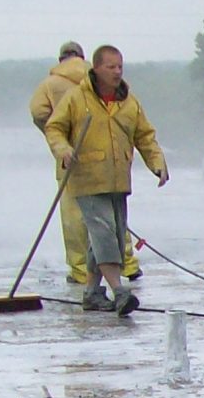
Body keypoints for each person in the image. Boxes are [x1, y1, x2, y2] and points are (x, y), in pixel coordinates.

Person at [43, 45, 168, 316]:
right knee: (103, 232)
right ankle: (119, 290)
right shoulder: (77, 98)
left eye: (120, 66)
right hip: (86, 178)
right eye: (111, 67)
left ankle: (92, 293)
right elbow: (54, 127)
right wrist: (63, 149)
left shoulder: (129, 102)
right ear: (96, 68)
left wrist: (157, 163)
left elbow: (145, 135)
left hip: (118, 179)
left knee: (105, 235)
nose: (117, 71)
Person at [28, 41, 140, 286]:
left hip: (71, 159)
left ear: (61, 60)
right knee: (112, 217)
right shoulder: (99, 82)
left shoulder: (50, 84)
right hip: (108, 160)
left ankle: (80, 271)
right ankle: (128, 264)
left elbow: (39, 113)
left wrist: (61, 140)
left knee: (76, 218)